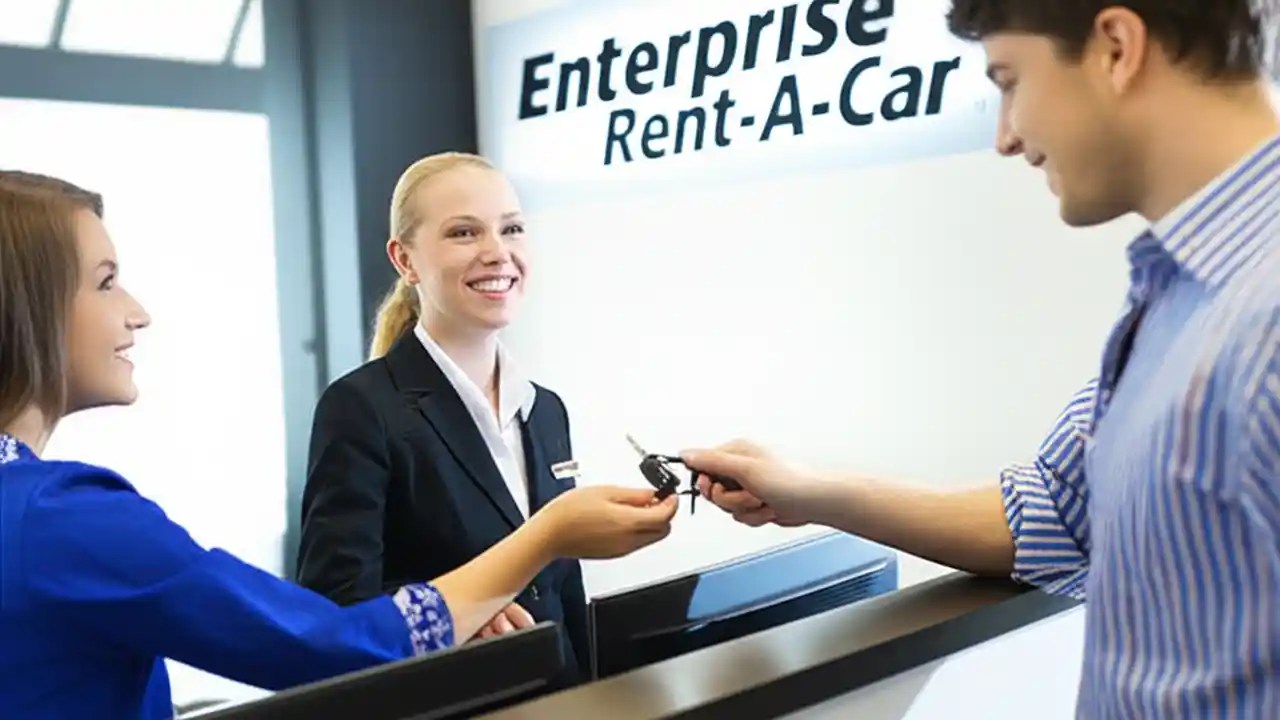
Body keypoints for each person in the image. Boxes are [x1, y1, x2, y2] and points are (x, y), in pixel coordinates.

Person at [683, 1, 1279, 717]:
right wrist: (807, 492)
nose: (1006, 136)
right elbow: (1058, 511)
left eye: (1008, 81)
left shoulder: (1261, 320)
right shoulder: (1174, 296)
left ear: (1116, 47)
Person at [0, 170, 678, 719]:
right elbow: (322, 639)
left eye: (511, 228)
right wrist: (548, 533)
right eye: (106, 280)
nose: (137, 311)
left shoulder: (547, 408)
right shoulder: (65, 520)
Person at [295, 152, 599, 684]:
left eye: (512, 229)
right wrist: (453, 613)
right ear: (405, 261)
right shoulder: (362, 408)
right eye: (464, 233)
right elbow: (338, 606)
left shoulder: (545, 409)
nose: (497, 252)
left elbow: (563, 588)